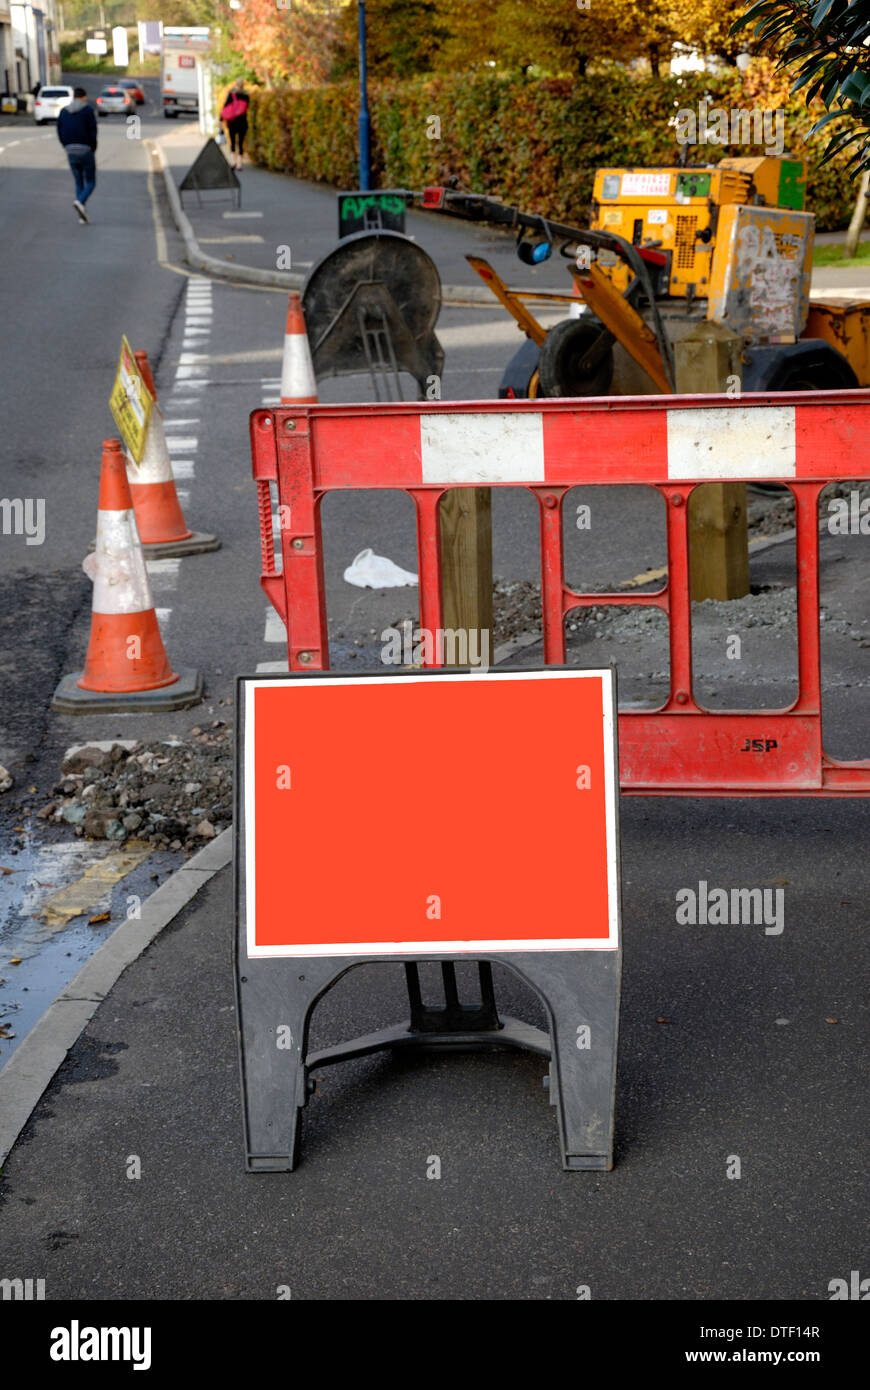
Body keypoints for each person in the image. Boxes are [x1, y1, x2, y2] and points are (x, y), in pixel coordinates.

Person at [57, 86, 97, 224]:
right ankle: (80, 201)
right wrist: (93, 148)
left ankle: (81, 216)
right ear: (84, 97)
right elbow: (93, 131)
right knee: (91, 182)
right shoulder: (87, 110)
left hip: (70, 150)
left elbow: (59, 130)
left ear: (74, 97)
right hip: (85, 149)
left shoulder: (63, 111)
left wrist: (66, 145)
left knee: (79, 181)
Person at [221, 79, 250, 172]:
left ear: (236, 84)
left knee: (233, 142)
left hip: (232, 122)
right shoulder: (246, 95)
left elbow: (225, 107)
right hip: (243, 122)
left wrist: (221, 120)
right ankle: (239, 164)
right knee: (241, 143)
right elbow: (247, 107)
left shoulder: (232, 94)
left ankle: (233, 162)